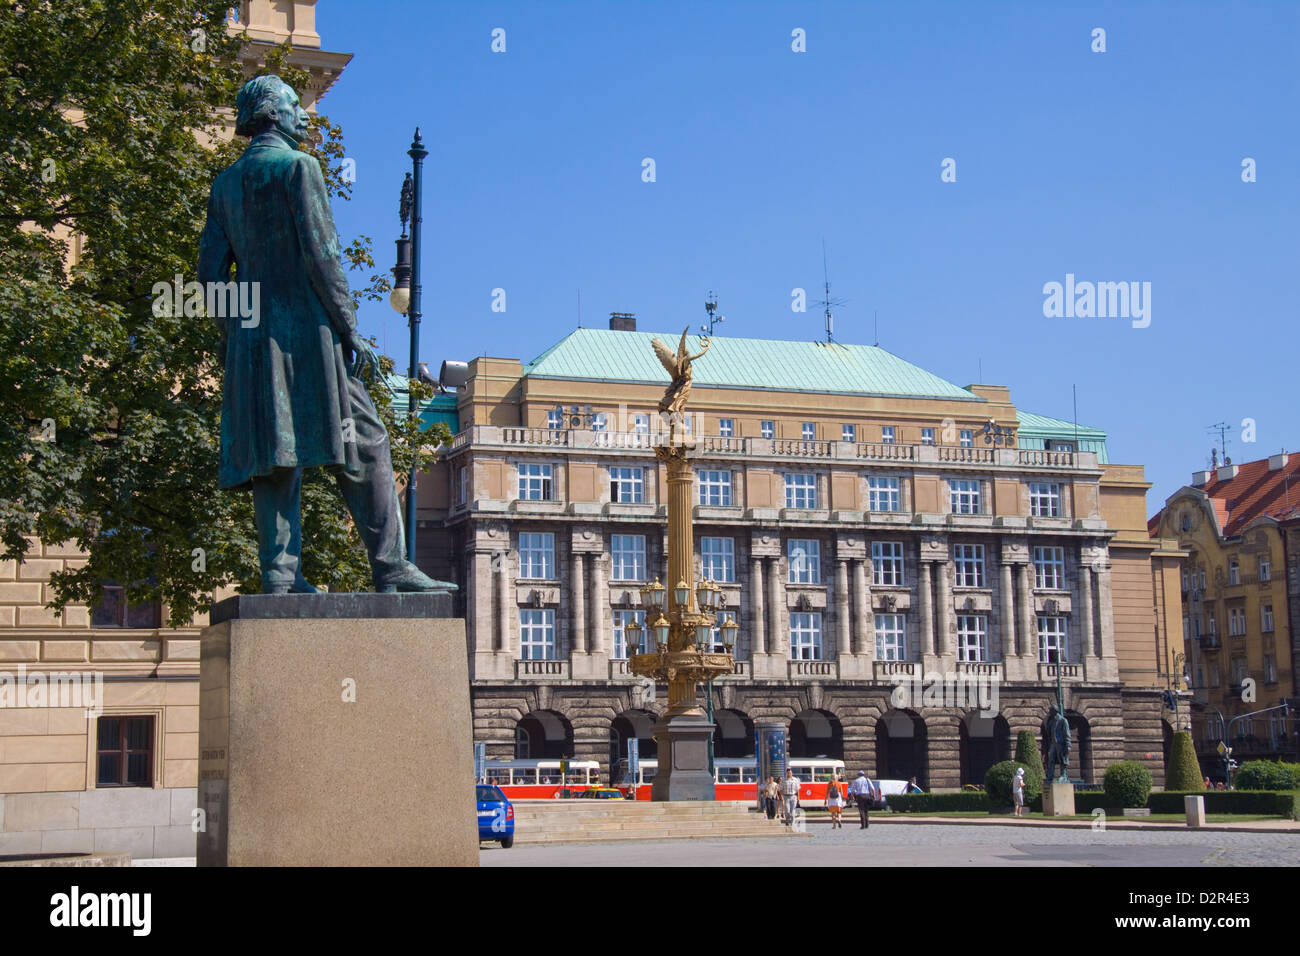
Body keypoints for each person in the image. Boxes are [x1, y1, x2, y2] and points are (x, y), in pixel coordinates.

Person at [199, 75, 451, 594]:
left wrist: (243, 327)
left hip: (254, 341)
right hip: (309, 334)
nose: (302, 116)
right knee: (366, 441)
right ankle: (391, 568)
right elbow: (322, 255)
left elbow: (207, 276)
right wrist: (351, 329)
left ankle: (280, 575)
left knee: (275, 456)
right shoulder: (300, 167)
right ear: (273, 113)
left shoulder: (224, 185)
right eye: (295, 106)